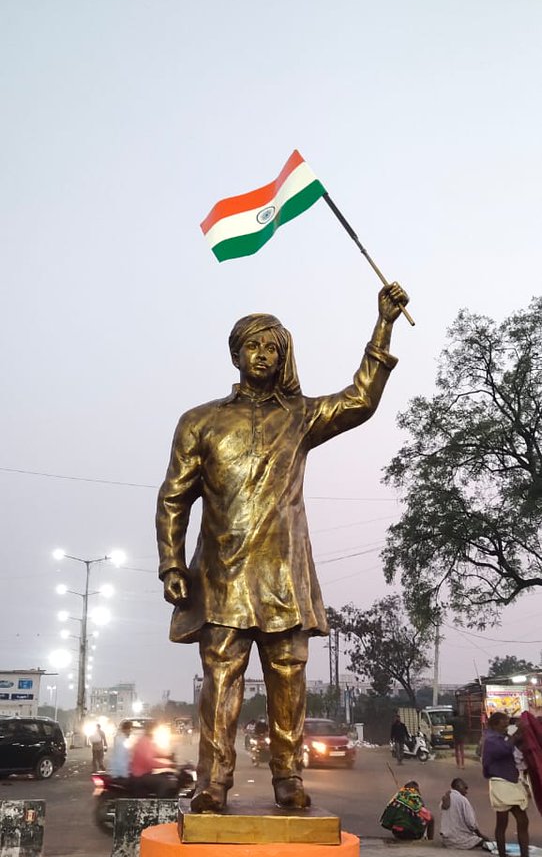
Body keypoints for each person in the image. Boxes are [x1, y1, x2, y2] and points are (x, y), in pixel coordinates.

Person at [157, 283, 408, 813]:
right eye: (254, 346)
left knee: (289, 680)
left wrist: (382, 324)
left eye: (273, 348)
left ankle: (288, 778)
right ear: (236, 353)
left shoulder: (298, 416)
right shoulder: (200, 422)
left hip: (282, 577)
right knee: (220, 684)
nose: (264, 356)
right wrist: (171, 563)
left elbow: (359, 400)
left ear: (284, 355)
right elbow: (174, 496)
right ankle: (214, 783)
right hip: (222, 577)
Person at [482, 711, 539, 857]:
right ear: (495, 724)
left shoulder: (501, 736)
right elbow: (506, 749)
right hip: (500, 782)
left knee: (523, 821)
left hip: (511, 782)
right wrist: (519, 732)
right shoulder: (491, 739)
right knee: (503, 823)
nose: (507, 724)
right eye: (504, 722)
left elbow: (516, 744)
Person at [129, 721, 175, 798]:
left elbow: (154, 752)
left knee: (166, 776)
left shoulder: (145, 740)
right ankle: (160, 804)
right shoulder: (145, 742)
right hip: (140, 776)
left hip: (143, 774)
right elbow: (150, 762)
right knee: (164, 782)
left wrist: (168, 756)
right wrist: (169, 765)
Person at [440, 778, 488, 849]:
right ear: (458, 786)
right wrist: (480, 835)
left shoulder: (444, 799)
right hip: (461, 840)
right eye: (465, 788)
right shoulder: (463, 800)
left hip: (447, 841)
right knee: (486, 843)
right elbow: (471, 823)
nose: (466, 791)